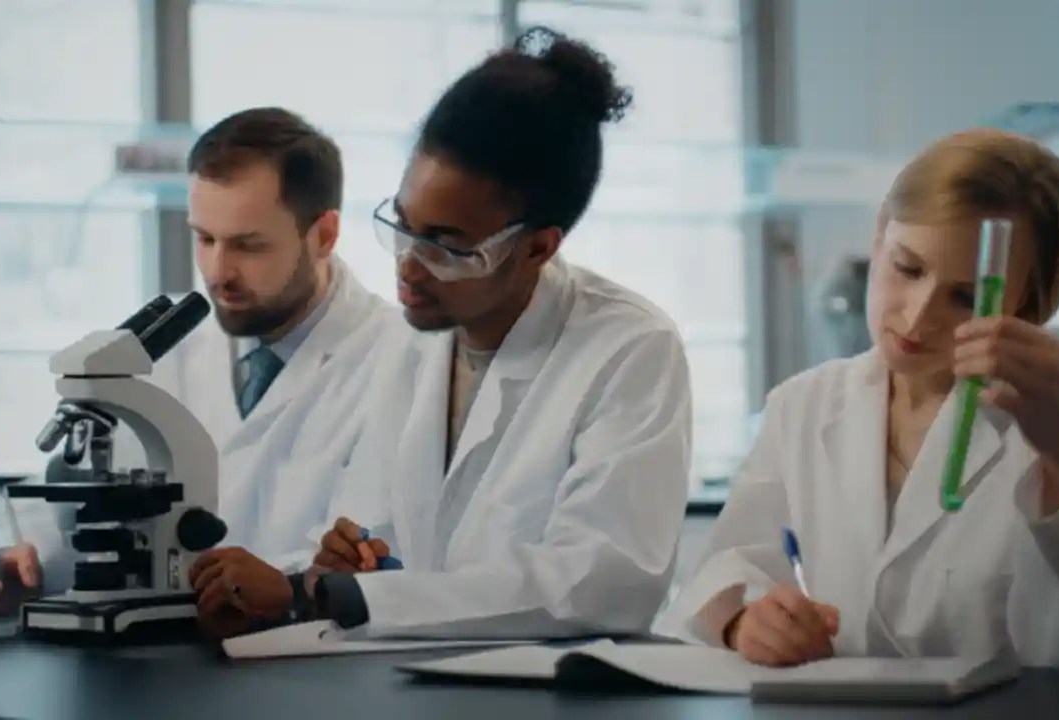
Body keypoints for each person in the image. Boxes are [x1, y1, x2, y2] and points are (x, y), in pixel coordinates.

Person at [188, 27, 693, 640]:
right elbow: (373, 547)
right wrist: (322, 571)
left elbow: (599, 583)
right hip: (405, 680)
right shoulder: (412, 342)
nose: (407, 265)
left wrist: (327, 592)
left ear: (537, 247)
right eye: (402, 225)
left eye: (446, 246)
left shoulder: (627, 351)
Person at [656, 128, 1059, 669]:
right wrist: (744, 622)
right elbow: (727, 565)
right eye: (908, 267)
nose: (919, 316)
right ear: (879, 237)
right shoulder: (805, 404)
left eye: (966, 296)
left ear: (1028, 300)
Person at [0, 107, 395, 615]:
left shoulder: (395, 357)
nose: (217, 271)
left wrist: (288, 585)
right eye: (204, 238)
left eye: (248, 246)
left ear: (324, 235)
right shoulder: (169, 350)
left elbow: (378, 551)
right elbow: (83, 508)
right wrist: (22, 567)